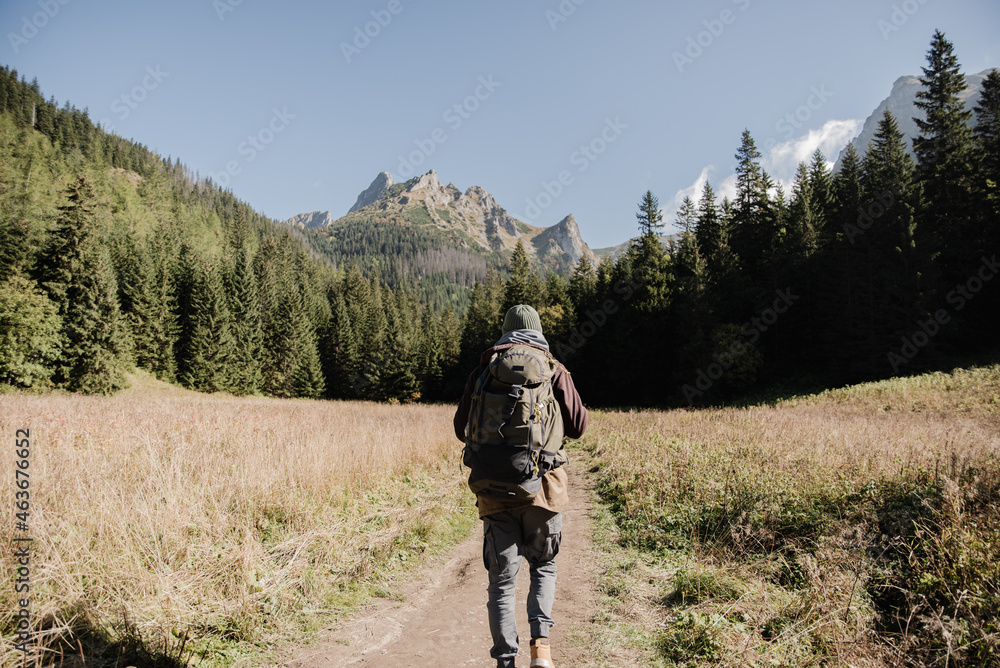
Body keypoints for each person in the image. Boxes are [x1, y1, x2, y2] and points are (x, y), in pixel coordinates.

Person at [454, 304, 588, 668]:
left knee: (501, 583)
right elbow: (577, 426)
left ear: (505, 331)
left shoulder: (483, 370)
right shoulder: (554, 369)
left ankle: (504, 661)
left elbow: (460, 428)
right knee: (543, 567)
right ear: (539, 331)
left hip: (495, 492)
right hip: (544, 489)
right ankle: (541, 650)